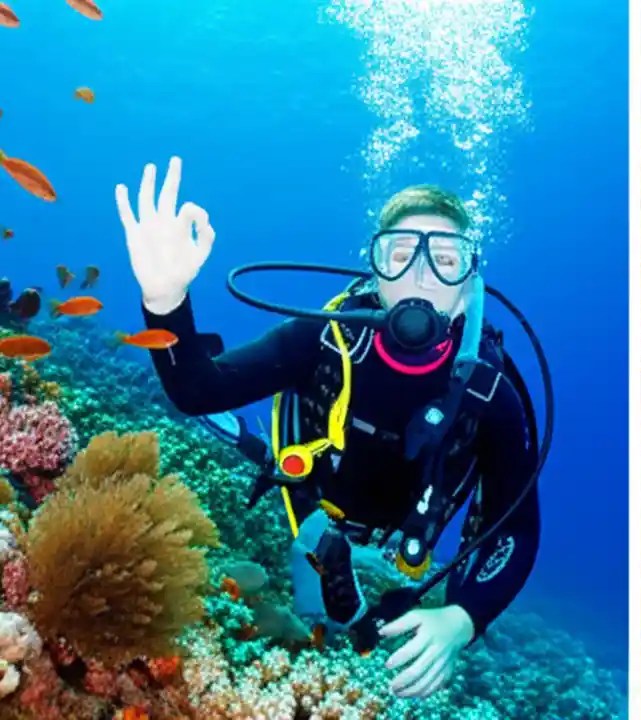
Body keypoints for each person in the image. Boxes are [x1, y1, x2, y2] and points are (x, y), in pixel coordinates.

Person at [114, 156, 541, 699]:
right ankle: (256, 447)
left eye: (447, 260)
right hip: (316, 491)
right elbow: (197, 390)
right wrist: (165, 301)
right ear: (375, 269)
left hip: (407, 534)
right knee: (272, 466)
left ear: (467, 287)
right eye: (401, 254)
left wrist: (464, 617)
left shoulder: (491, 394)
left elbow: (517, 528)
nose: (420, 275)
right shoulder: (322, 340)